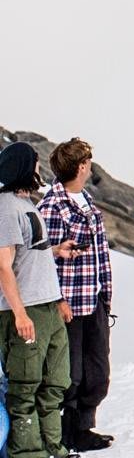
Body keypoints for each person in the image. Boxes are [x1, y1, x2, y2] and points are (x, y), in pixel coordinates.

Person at [33, 149, 105, 453]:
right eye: (87, 161)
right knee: (70, 375)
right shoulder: (50, 207)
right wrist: (59, 299)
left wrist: (106, 297)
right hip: (68, 304)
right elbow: (39, 259)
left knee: (97, 371)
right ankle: (64, 433)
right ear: (81, 166)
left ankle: (83, 427)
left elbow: (101, 255)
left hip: (94, 298)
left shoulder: (87, 203)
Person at [0, 142, 67, 458]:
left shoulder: (26, 205)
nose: (40, 169)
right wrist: (20, 314)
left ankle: (53, 448)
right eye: (36, 163)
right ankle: (27, 454)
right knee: (25, 387)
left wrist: (56, 251)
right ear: (24, 167)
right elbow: (3, 264)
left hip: (49, 306)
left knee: (54, 383)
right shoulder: (5, 207)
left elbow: (28, 253)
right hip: (27, 311)